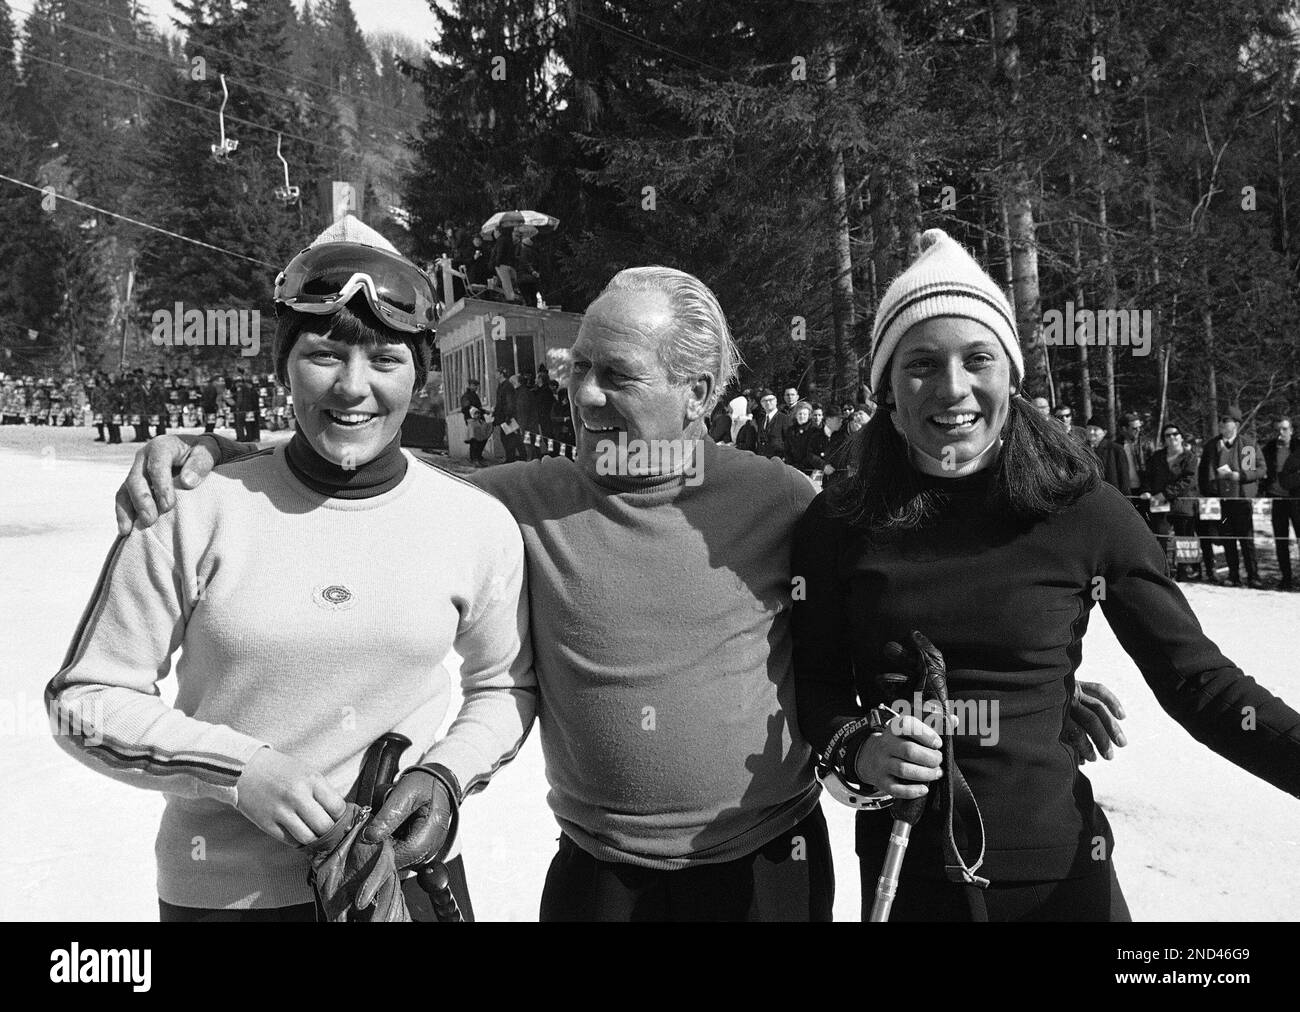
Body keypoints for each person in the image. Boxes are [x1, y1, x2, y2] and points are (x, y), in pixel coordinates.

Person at [116, 264, 1123, 923]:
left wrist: (1025, 696)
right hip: (598, 878)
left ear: (698, 391)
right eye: (577, 371)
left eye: (616, 375)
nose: (583, 396)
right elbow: (363, 480)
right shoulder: (519, 501)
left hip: (765, 872)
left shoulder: (781, 500)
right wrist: (220, 454)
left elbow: (884, 610)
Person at [791, 228, 1300, 923]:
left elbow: (1198, 682)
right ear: (885, 386)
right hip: (909, 875)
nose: (953, 388)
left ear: (1012, 374)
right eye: (920, 365)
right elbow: (814, 683)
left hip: (1059, 874)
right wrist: (859, 751)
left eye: (978, 359)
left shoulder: (1082, 509)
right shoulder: (840, 520)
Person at [52, 217, 535, 922]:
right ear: (282, 367)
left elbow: (505, 685)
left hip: (404, 886)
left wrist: (444, 778)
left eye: (386, 361)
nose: (352, 387)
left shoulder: (474, 522)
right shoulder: (192, 505)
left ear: (420, 377)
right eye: (324, 355)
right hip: (228, 898)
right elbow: (86, 698)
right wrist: (238, 773)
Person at [1197, 407, 1265, 588]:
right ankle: (1233, 575)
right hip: (1220, 500)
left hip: (1241, 500)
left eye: (1225, 420)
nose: (1221, 423)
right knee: (1227, 540)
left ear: (1236, 424)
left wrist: (1240, 476)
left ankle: (1253, 576)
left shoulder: (1246, 445)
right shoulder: (1212, 446)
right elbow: (1203, 473)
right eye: (1220, 420)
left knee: (1246, 540)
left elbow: (1256, 470)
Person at [1140, 423, 1200, 581]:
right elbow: (1147, 476)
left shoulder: (1190, 457)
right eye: (1168, 435)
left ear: (1181, 437)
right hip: (1159, 504)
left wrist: (1165, 494)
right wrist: (1146, 490)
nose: (1172, 437)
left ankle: (1185, 572)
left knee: (1185, 538)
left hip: (1183, 503)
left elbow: (1188, 480)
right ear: (1164, 439)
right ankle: (1162, 572)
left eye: (1175, 434)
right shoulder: (1157, 457)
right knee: (1160, 537)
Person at [1263, 417, 1298, 590]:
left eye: (1284, 429)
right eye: (1278, 429)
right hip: (1277, 499)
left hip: (1296, 499)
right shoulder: (1269, 448)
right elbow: (1261, 468)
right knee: (1281, 541)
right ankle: (1286, 578)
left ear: (1291, 430)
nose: (1281, 433)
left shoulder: (1298, 447)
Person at [784, 401, 828, 475]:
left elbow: (812, 453)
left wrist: (801, 466)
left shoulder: (814, 430)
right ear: (796, 415)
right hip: (793, 468)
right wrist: (791, 464)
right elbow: (787, 450)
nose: (802, 416)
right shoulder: (791, 430)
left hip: (810, 469)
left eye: (804, 414)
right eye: (800, 414)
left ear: (809, 415)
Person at [1084, 417, 1126, 491]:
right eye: (1089, 428)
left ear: (1104, 432)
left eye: (1095, 429)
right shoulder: (1081, 449)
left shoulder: (1116, 449)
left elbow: (1123, 476)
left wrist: (1126, 497)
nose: (1091, 432)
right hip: (1089, 493)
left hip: (1111, 493)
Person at [1115, 413, 1148, 499]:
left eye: (1139, 427)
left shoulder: (1146, 444)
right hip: (1124, 490)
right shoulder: (1116, 446)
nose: (1138, 430)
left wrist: (1148, 489)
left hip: (1145, 490)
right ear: (1124, 429)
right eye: (1134, 428)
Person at [753, 389, 789, 460]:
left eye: (770, 400)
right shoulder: (761, 420)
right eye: (765, 401)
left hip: (778, 460)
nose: (768, 403)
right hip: (763, 460)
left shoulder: (784, 418)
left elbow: (788, 441)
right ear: (761, 404)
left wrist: (785, 458)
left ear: (776, 401)